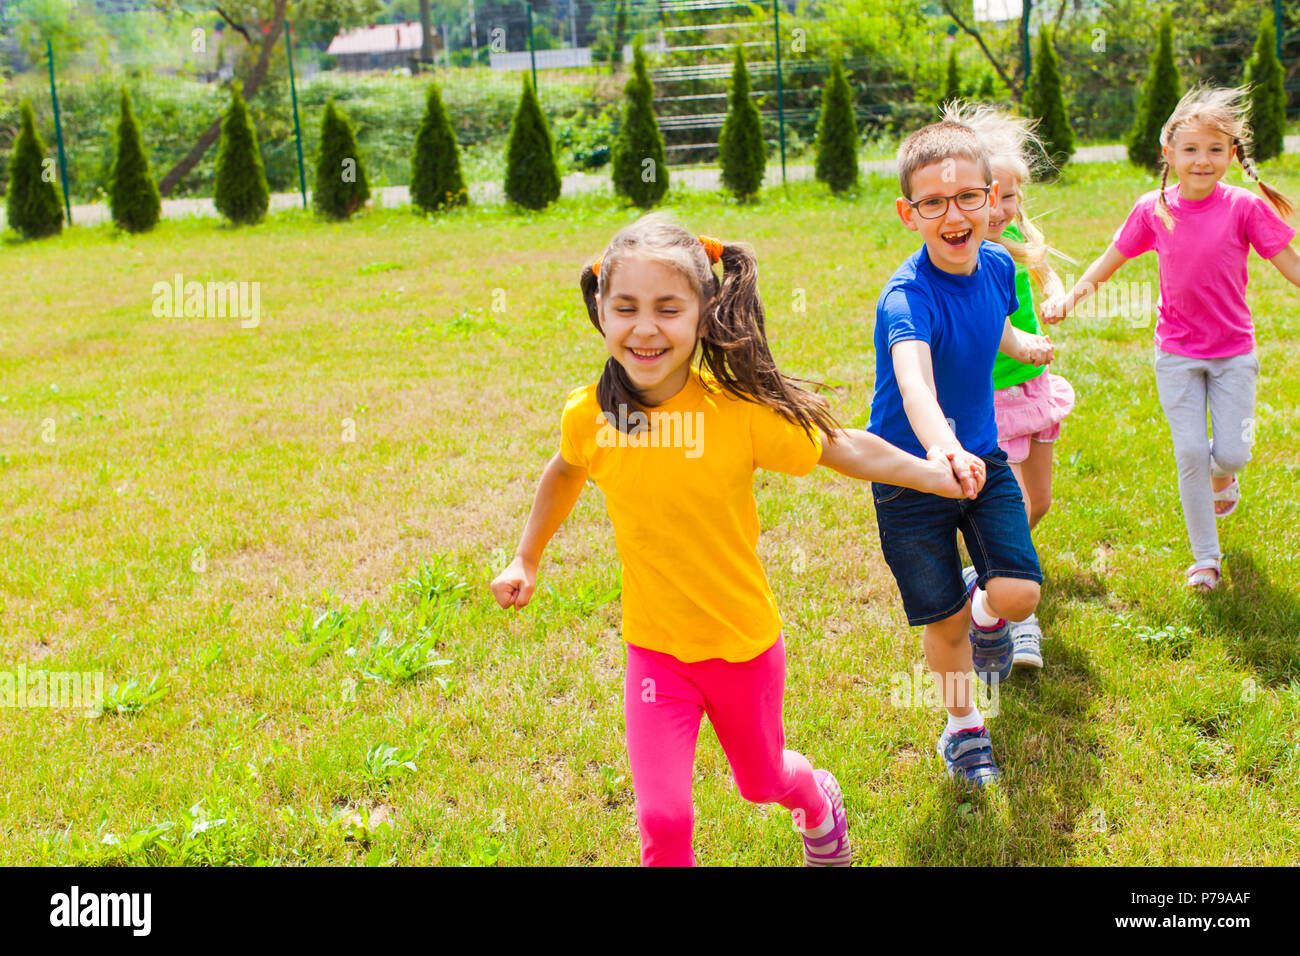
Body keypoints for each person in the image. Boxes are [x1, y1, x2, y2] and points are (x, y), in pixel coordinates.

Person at [490, 213, 979, 865]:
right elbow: (566, 468)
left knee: (763, 781)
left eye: (668, 308)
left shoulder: (736, 411)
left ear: (704, 311)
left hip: (742, 648)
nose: (644, 328)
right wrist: (527, 555)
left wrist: (932, 475)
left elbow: (845, 446)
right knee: (663, 820)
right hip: (655, 657)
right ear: (600, 308)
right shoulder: (591, 415)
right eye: (626, 307)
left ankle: (817, 802)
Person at [1041, 85, 1300, 591]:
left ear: (1232, 154)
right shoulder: (1152, 208)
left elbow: (1289, 264)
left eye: (1215, 149)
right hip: (1177, 353)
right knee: (1188, 453)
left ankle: (1224, 476)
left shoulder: (1244, 208)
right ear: (1169, 152)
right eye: (1191, 149)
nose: (1202, 161)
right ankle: (1206, 559)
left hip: (1234, 354)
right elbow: (1110, 260)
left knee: (1233, 452)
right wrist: (1070, 299)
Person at [868, 120, 1054, 786]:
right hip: (910, 477)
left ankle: (986, 614)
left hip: (983, 460)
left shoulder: (1000, 264)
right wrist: (942, 446)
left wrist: (1021, 345)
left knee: (1019, 594)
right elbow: (915, 382)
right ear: (907, 213)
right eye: (933, 203)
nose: (953, 215)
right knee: (941, 623)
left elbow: (992, 318)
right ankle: (962, 728)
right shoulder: (906, 298)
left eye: (968, 198)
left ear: (994, 197)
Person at [941, 101, 1076, 669]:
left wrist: (1056, 296)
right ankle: (1008, 616)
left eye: (1011, 197)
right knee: (1014, 505)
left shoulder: (1017, 236)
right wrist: (1017, 341)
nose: (1000, 210)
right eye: (989, 195)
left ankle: (988, 572)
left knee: (1037, 501)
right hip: (989, 399)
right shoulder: (964, 254)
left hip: (1034, 391)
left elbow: (1045, 272)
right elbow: (985, 321)